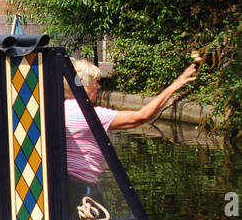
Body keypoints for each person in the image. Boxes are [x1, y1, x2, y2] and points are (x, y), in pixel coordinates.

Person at [65, 57, 198, 211]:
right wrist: (175, 86)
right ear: (84, 85)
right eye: (96, 82)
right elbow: (140, 117)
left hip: (67, 186)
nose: (99, 86)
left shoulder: (61, 109)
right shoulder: (89, 114)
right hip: (83, 189)